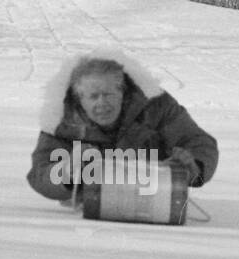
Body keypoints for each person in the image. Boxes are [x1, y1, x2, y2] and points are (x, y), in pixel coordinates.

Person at [27, 51, 219, 203]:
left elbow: (199, 142)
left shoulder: (156, 107)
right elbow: (40, 173)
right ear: (79, 99)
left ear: (123, 92)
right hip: (87, 214)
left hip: (155, 204)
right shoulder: (61, 120)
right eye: (93, 96)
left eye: (109, 94)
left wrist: (193, 165)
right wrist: (67, 170)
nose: (102, 103)